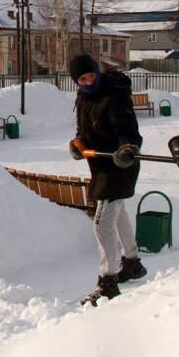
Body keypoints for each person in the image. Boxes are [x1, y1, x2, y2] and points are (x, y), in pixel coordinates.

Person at [67, 53, 147, 305]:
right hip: (101, 165)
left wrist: (128, 148)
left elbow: (127, 129)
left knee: (102, 223)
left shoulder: (114, 95)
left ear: (97, 72)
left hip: (121, 164)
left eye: (92, 75)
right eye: (83, 78)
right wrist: (78, 144)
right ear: (77, 81)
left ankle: (108, 281)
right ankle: (132, 262)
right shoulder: (83, 98)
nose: (89, 81)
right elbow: (83, 131)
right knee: (118, 213)